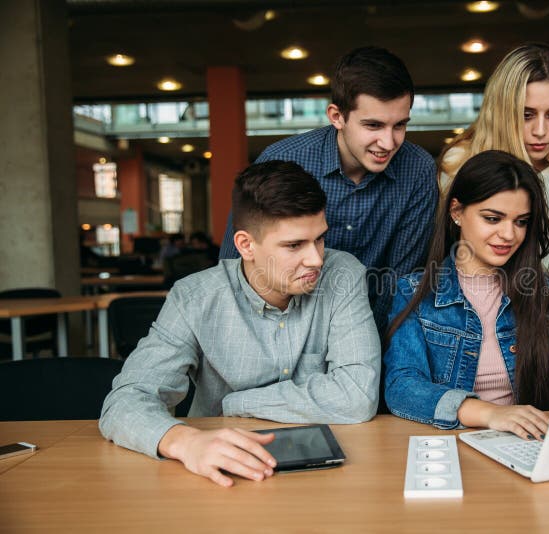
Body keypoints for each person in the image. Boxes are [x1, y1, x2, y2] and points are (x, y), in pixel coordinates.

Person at [100, 160, 381, 487]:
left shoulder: (343, 274)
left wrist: (235, 403)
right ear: (246, 245)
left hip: (324, 474)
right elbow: (125, 401)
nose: (317, 259)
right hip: (219, 473)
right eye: (294, 245)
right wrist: (185, 441)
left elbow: (358, 395)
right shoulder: (194, 297)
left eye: (319, 239)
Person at [218, 46, 439, 333]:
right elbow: (233, 268)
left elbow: (400, 285)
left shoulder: (418, 170)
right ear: (337, 116)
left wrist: (364, 352)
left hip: (369, 333)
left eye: (400, 125)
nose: (388, 142)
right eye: (373, 125)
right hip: (274, 330)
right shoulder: (283, 160)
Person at [383, 150, 549, 440]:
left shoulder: (546, 293)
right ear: (456, 212)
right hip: (450, 444)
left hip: (528, 444)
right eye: (493, 218)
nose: (509, 234)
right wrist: (490, 413)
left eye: (521, 221)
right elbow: (401, 387)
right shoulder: (414, 293)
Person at [439, 43, 549, 310]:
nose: (540, 130)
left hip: (538, 319)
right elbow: (450, 258)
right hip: (464, 317)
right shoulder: (460, 163)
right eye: (526, 115)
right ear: (502, 110)